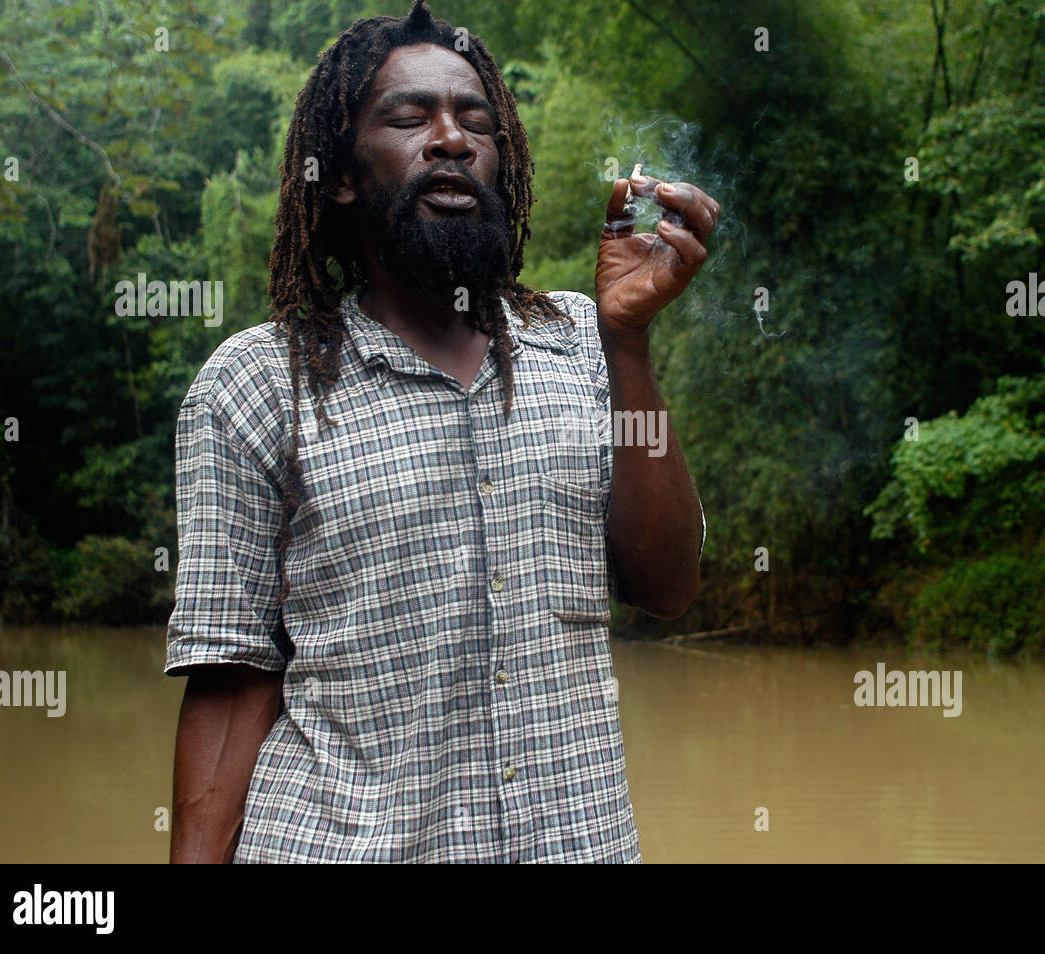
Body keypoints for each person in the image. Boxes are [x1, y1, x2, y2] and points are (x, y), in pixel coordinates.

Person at [166, 0, 719, 863]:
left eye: (475, 121)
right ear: (342, 174)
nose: (452, 139)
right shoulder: (257, 384)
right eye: (410, 116)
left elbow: (668, 585)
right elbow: (232, 686)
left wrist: (629, 341)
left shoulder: (582, 344)